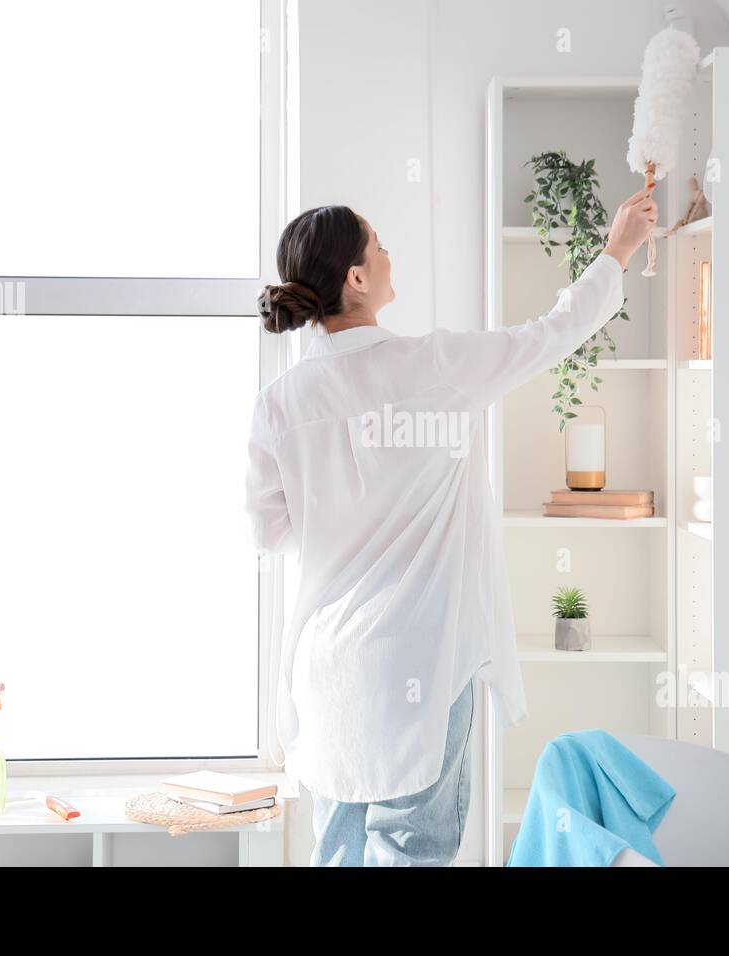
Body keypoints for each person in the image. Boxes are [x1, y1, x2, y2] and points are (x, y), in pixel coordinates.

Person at [244, 186, 658, 865]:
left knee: (338, 850)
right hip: (420, 664)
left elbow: (269, 532)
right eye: (377, 246)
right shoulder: (433, 367)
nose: (387, 254)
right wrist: (617, 248)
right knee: (411, 851)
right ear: (355, 279)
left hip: (328, 670)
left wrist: (344, 527)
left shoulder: (278, 404)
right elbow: (551, 333)